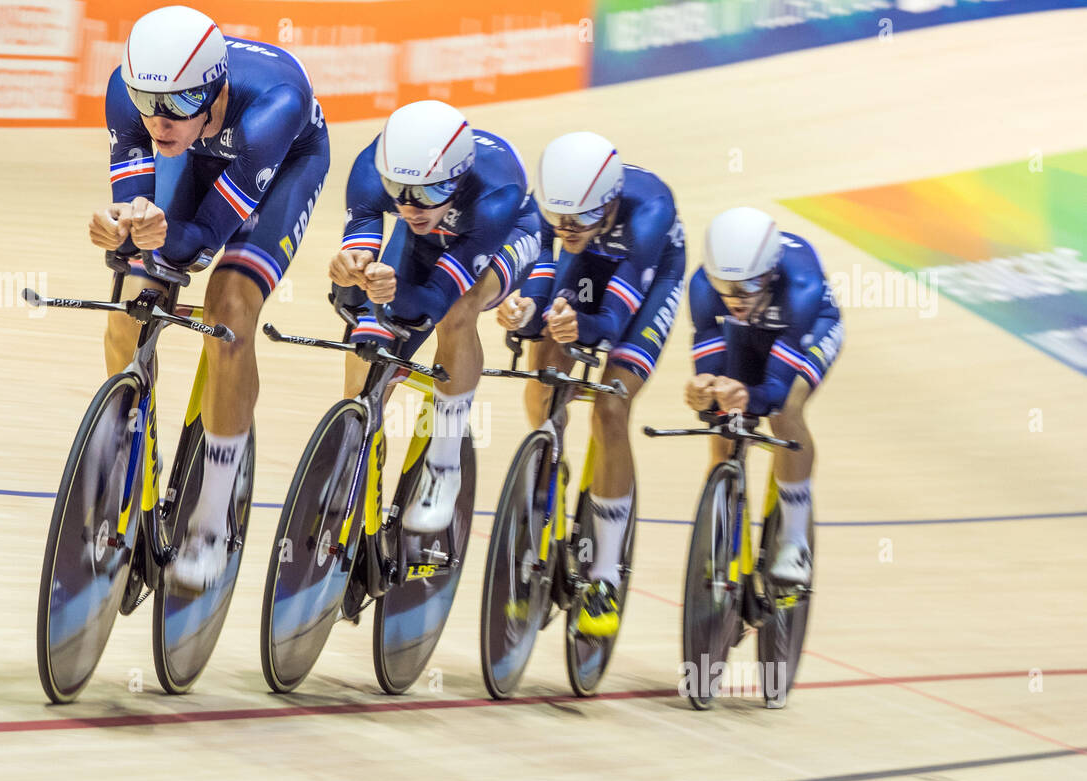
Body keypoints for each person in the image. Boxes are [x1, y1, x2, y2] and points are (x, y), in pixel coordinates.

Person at [89, 5, 329, 591]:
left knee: (230, 308)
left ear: (215, 91)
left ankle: (213, 520)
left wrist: (160, 234)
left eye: (176, 104)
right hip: (200, 154)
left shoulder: (274, 107)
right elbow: (138, 211)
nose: (157, 120)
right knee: (134, 301)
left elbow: (200, 240)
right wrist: (122, 226)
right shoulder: (130, 96)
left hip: (283, 163)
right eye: (147, 103)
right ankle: (128, 456)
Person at [494, 132, 684, 636]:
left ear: (610, 203)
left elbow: (613, 320)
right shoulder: (557, 211)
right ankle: (549, 464)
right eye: (558, 218)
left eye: (578, 219)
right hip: (587, 266)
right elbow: (543, 269)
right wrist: (524, 309)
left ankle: (605, 575)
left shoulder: (649, 213)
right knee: (545, 371)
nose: (566, 227)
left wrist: (584, 327)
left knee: (611, 407)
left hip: (647, 276)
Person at [328, 100, 542, 532]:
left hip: (504, 235)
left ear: (457, 179)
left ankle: (444, 468)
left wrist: (390, 291)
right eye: (400, 191)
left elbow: (434, 301)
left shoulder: (495, 194)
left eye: (427, 193)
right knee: (367, 356)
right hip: (426, 239)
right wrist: (352, 269)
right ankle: (354, 458)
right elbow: (358, 262)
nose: (411, 207)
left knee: (458, 310)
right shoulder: (374, 170)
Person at [684, 206, 845, 586]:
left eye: (748, 286)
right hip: (749, 332)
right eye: (725, 285)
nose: (734, 298)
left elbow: (773, 391)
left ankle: (795, 542)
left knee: (784, 411)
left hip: (810, 328)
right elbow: (710, 365)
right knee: (724, 428)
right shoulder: (704, 286)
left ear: (771, 273)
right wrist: (706, 390)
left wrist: (747, 395)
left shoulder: (801, 286)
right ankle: (721, 536)